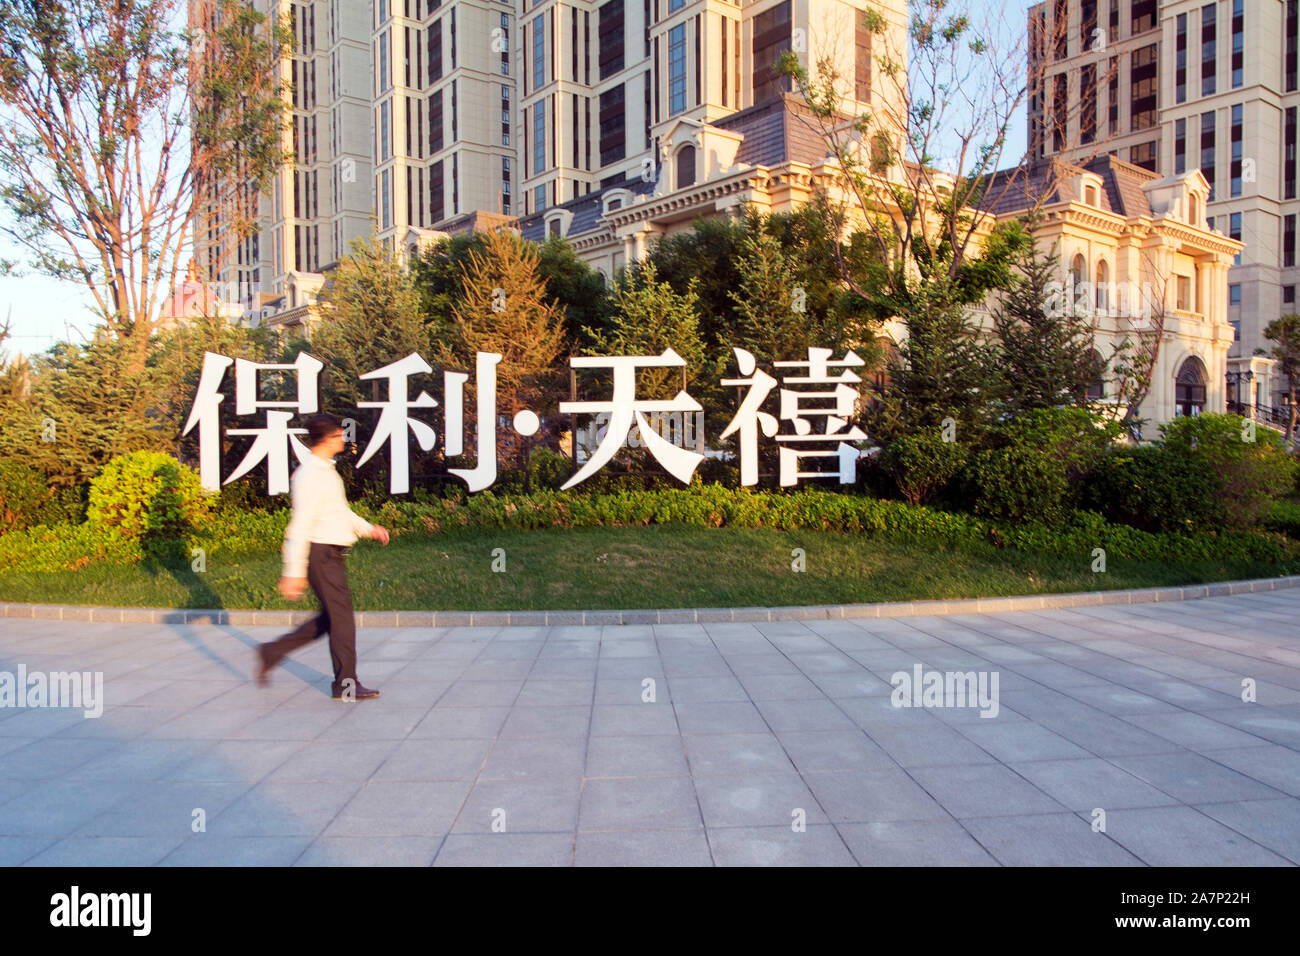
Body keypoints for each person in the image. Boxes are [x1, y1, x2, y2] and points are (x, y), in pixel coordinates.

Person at [254, 413, 391, 700]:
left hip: (329, 554)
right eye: (340, 435)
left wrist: (369, 529)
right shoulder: (309, 476)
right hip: (321, 554)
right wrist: (293, 572)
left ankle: (272, 651)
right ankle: (345, 684)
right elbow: (299, 525)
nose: (343, 439)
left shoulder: (326, 472)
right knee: (342, 620)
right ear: (327, 439)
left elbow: (340, 512)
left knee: (331, 619)